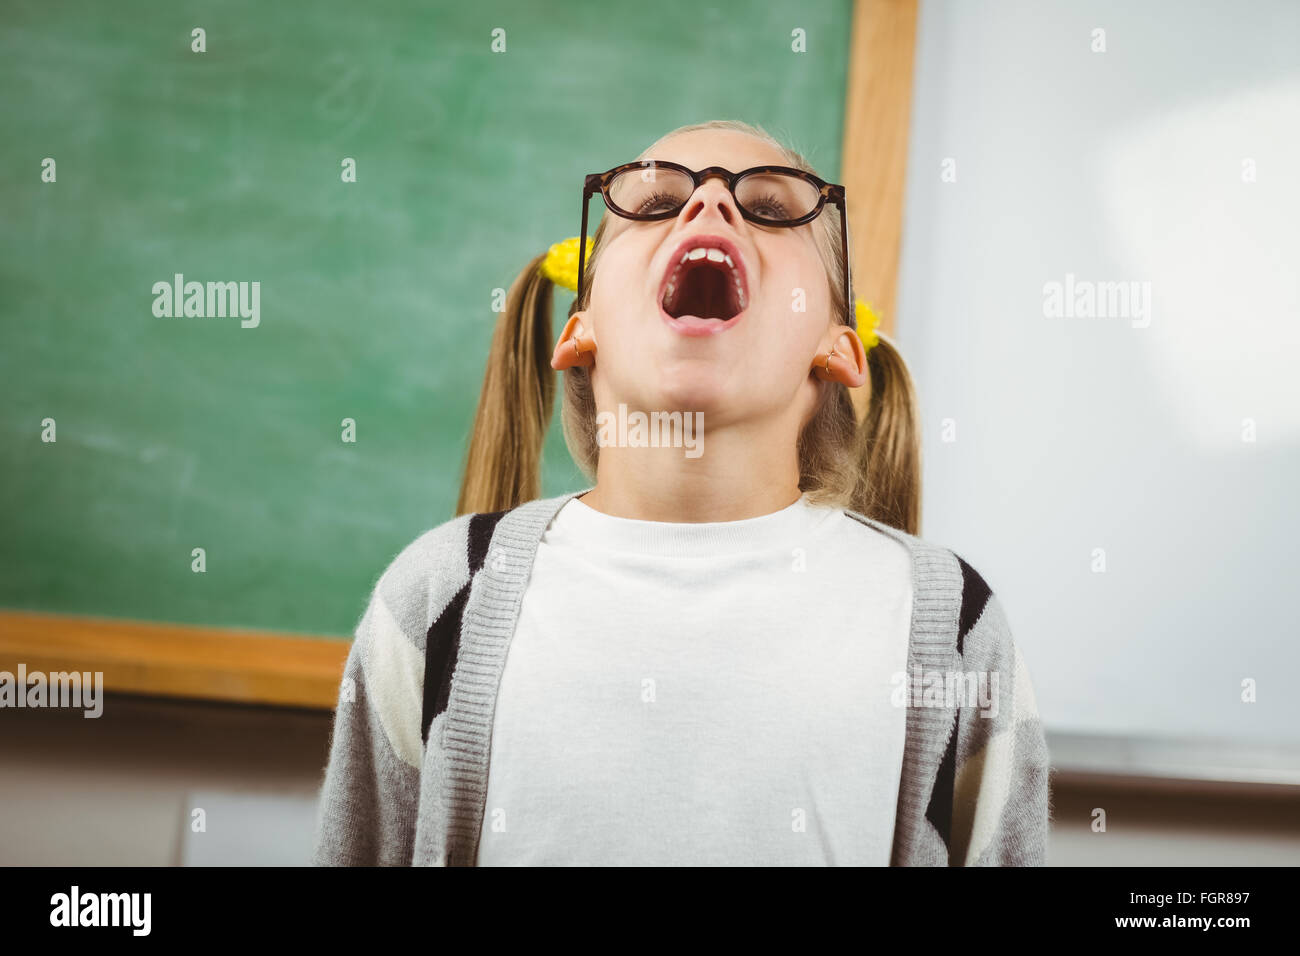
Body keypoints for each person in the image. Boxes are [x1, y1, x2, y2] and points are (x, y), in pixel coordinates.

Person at [313, 119, 1051, 866]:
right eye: (660, 200)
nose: (710, 205)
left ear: (839, 348)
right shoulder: (439, 597)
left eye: (769, 209)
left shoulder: (952, 626)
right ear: (579, 331)